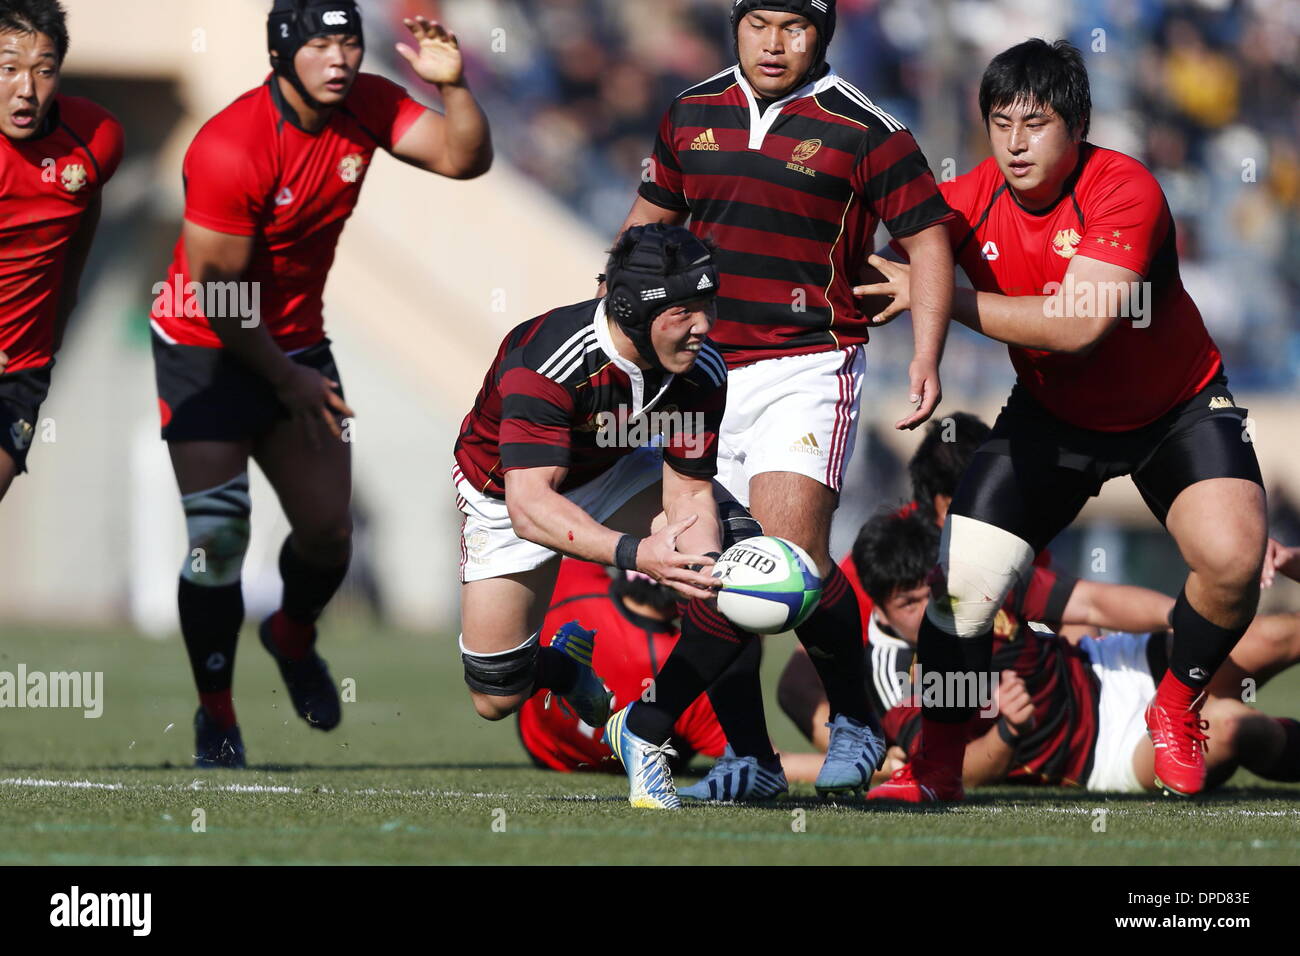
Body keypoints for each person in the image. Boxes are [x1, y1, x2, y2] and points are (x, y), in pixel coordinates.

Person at [859, 39, 1267, 801]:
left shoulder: (1126, 187)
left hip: (1176, 409)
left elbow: (1079, 324)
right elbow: (878, 271)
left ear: (1076, 126)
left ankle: (1176, 707)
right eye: (1000, 121)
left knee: (1235, 560)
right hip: (1052, 418)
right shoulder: (967, 197)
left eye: (1035, 122)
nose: (1014, 142)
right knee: (964, 589)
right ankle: (938, 760)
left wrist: (935, 292)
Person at [612, 0, 955, 800]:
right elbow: (644, 230)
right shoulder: (690, 111)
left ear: (822, 34)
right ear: (735, 25)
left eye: (794, 25)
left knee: (784, 567)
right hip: (695, 372)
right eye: (759, 21)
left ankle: (857, 720)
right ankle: (752, 761)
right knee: (711, 573)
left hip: (809, 364)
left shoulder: (867, 128)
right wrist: (611, 327)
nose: (774, 41)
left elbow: (928, 243)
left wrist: (928, 356)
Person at [149, 1, 492, 768]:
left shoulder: (367, 103)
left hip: (298, 345)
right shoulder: (231, 146)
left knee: (330, 533)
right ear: (281, 53)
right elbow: (219, 296)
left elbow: (462, 158)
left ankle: (291, 636)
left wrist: (457, 85)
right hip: (204, 345)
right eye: (319, 45)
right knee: (218, 539)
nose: (339, 59)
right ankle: (218, 716)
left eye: (349, 43)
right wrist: (290, 381)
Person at [455, 223, 758, 810]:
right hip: (507, 495)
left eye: (707, 305)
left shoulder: (700, 371)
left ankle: (650, 731)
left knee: (731, 569)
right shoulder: (547, 359)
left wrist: (699, 563)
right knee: (495, 695)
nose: (704, 325)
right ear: (630, 311)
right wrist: (638, 554)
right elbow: (530, 506)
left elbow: (691, 492)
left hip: (617, 476)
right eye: (683, 310)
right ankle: (564, 670)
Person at [855, 513, 1300, 792]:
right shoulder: (894, 672)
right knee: (1233, 727)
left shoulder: (974, 579)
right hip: (1105, 752)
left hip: (1112, 663)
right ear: (880, 608)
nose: (932, 610)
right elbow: (952, 769)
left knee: (1277, 635)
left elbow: (1091, 602)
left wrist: (1186, 620)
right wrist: (1008, 730)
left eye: (931, 594)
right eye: (908, 605)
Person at [0, 0, 122, 498]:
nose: (26, 90)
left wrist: (67, 297)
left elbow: (84, 201)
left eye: (43, 71)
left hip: (19, 372)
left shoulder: (96, 139)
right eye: (8, 69)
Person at [516, 559, 726, 776]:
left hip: (541, 743)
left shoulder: (569, 579)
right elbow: (735, 751)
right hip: (630, 768)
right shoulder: (689, 661)